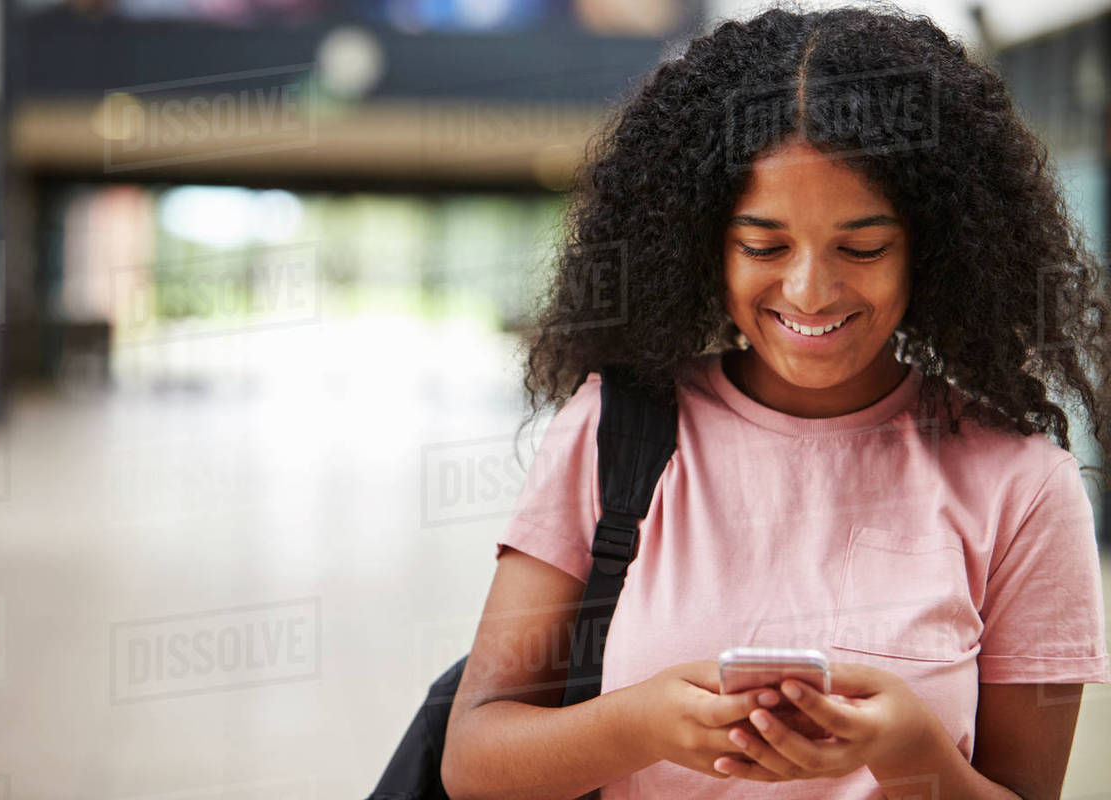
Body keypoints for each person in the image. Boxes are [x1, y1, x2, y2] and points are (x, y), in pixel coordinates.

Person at [439, 2, 1111, 798]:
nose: (810, 291)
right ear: (700, 242)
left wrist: (911, 754)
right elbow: (473, 761)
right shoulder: (614, 431)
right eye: (764, 246)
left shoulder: (1021, 485)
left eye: (862, 247)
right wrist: (640, 723)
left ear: (933, 247)